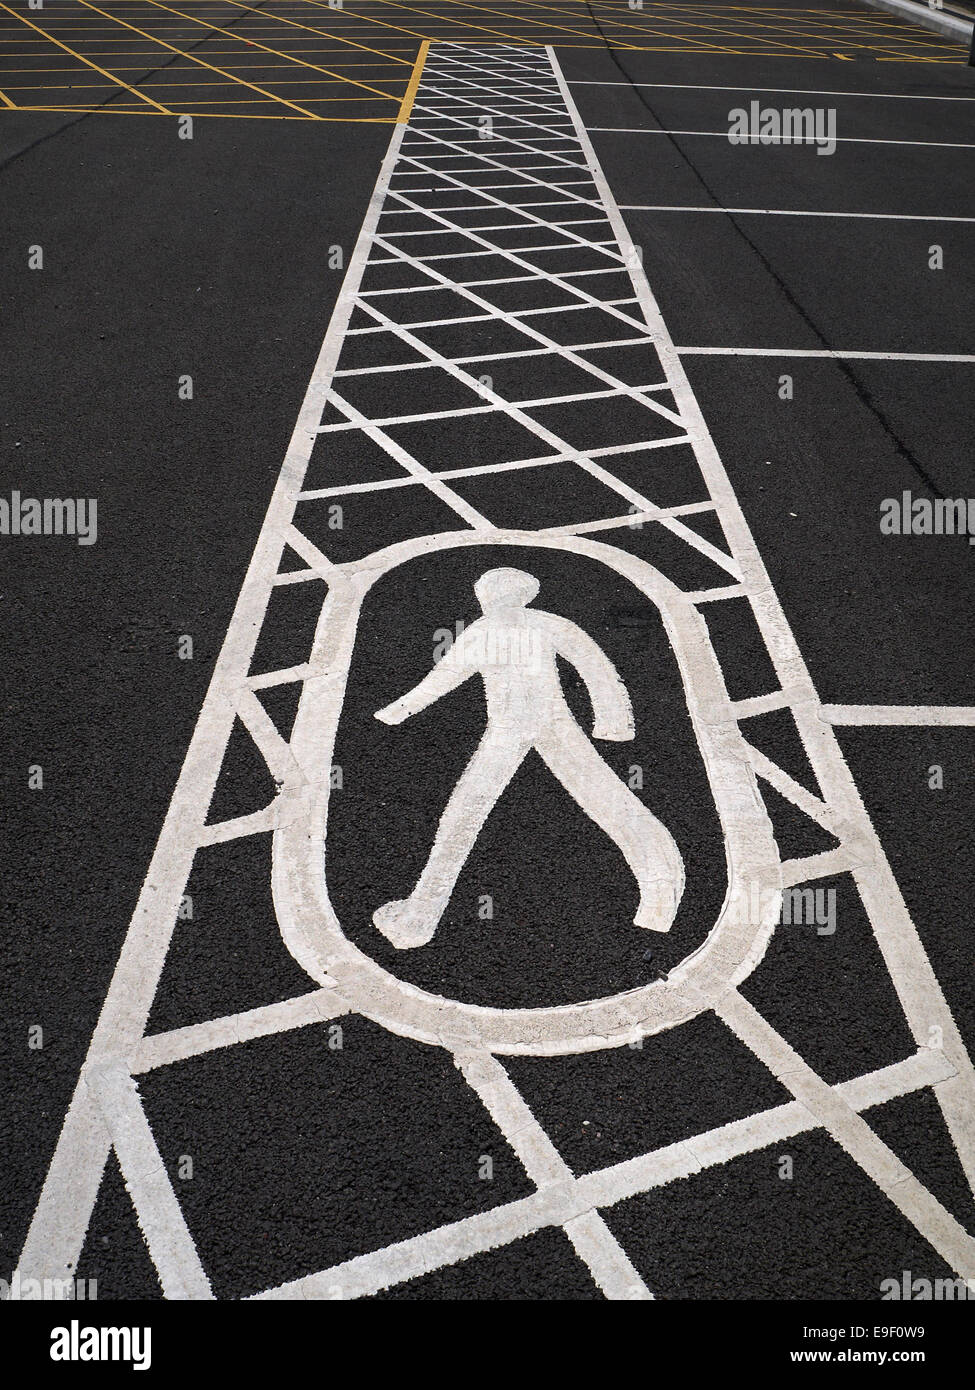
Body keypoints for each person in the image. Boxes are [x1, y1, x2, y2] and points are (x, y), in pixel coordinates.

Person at [373, 566, 685, 949]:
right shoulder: (525, 626)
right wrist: (613, 723)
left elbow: (591, 666)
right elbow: (594, 668)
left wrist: (613, 723)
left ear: (499, 596)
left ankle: (419, 918)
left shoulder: (495, 630)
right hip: (535, 728)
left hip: (523, 729)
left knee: (464, 815)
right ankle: (659, 900)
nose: (484, 599)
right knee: (605, 801)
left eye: (487, 594)